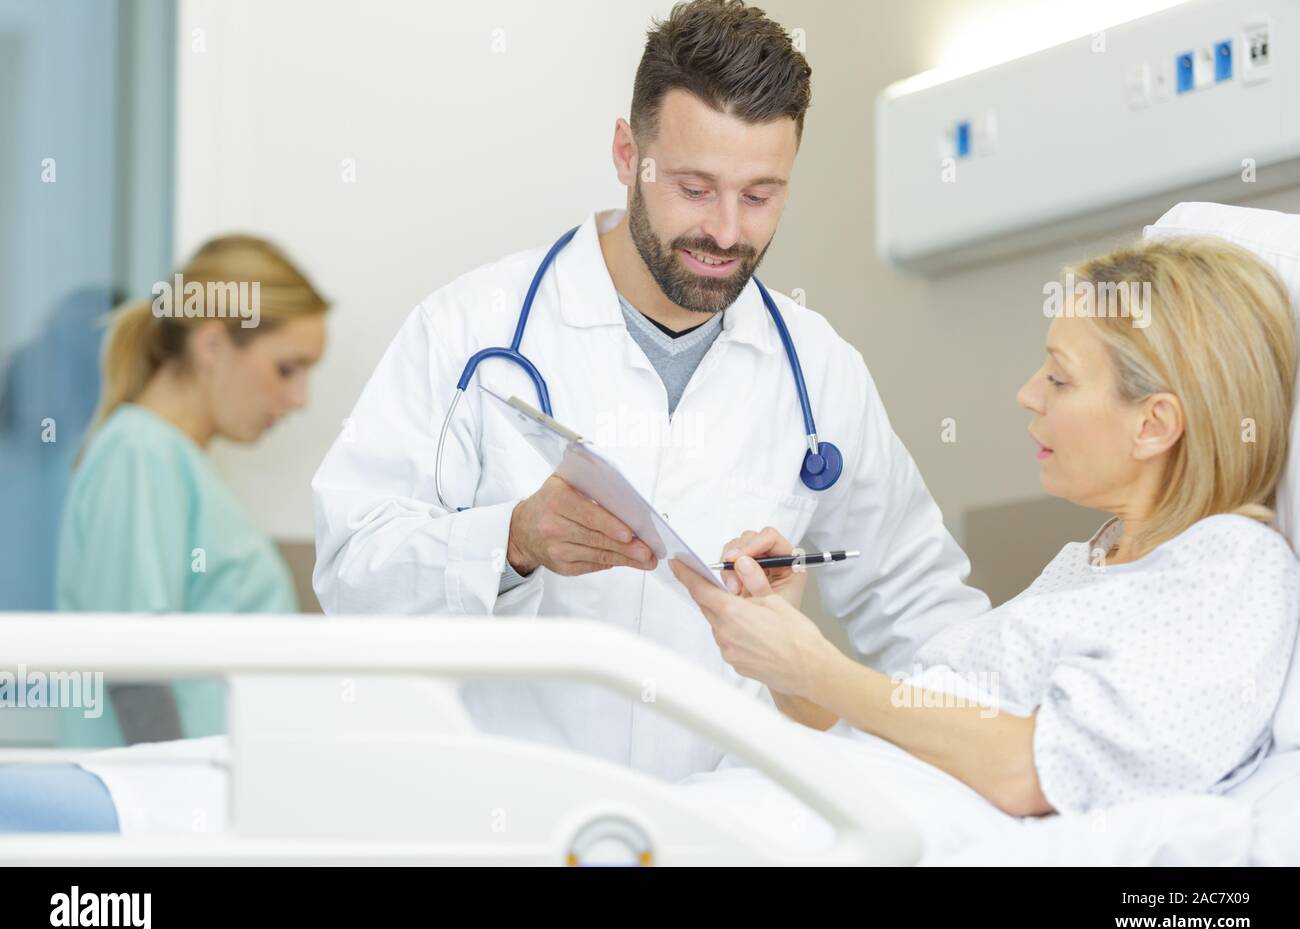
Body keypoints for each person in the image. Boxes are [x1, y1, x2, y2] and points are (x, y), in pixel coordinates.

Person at [311, 0, 988, 782]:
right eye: (696, 189)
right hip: (506, 813)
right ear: (628, 154)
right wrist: (514, 540)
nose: (729, 232)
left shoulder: (821, 372)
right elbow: (349, 566)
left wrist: (992, 758)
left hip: (720, 828)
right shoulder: (472, 329)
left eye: (761, 194)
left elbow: (933, 621)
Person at [672, 235, 1300, 816]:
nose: (1029, 393)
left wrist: (815, 668)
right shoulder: (1094, 563)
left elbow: (1034, 771)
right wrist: (788, 658)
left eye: (1058, 376)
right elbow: (899, 740)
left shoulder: (1230, 568)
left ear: (1154, 424)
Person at [56, 234, 329, 748]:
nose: (299, 400)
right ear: (212, 345)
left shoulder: (175, 462)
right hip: (166, 807)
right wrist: (174, 813)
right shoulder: (140, 451)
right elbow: (133, 663)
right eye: (287, 369)